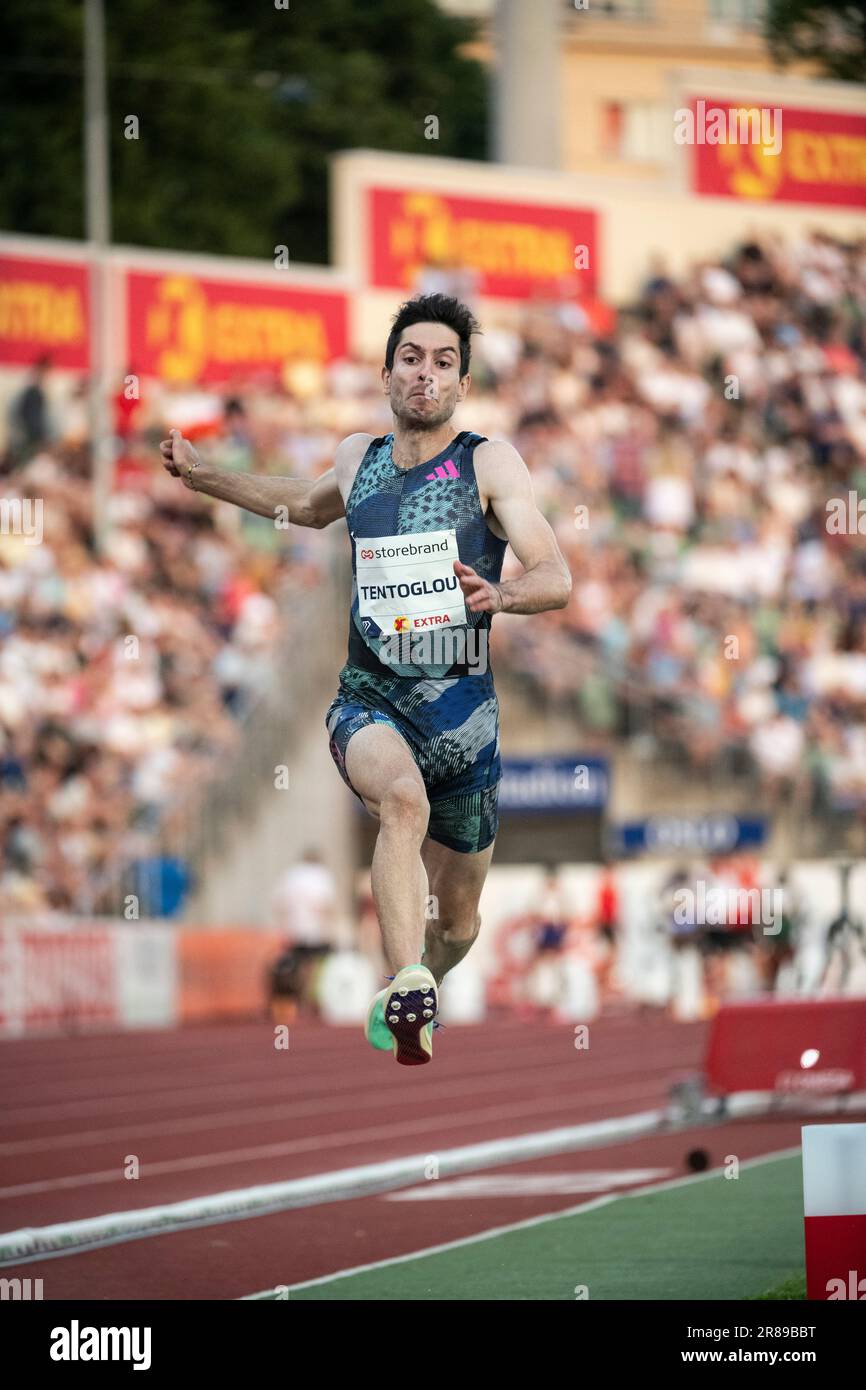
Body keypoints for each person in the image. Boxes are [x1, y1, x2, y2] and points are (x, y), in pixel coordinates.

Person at [160, 293, 572, 1065]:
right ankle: (409, 975)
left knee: (461, 923)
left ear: (462, 383)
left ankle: (417, 983)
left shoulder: (490, 461)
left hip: (467, 723)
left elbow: (558, 574)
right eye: (411, 359)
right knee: (401, 803)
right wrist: (206, 476)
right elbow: (303, 507)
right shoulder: (358, 458)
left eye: (444, 363)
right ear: (387, 374)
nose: (426, 375)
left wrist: (503, 593)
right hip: (371, 701)